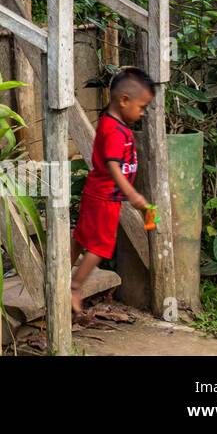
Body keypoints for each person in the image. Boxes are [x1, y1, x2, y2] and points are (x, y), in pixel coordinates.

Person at [70, 67, 155, 317]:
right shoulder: (113, 130)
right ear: (124, 100)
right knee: (98, 247)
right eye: (141, 107)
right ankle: (74, 287)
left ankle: (56, 270)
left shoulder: (113, 123)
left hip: (97, 193)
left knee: (82, 236)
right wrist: (133, 195)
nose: (141, 113)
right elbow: (113, 167)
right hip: (106, 197)